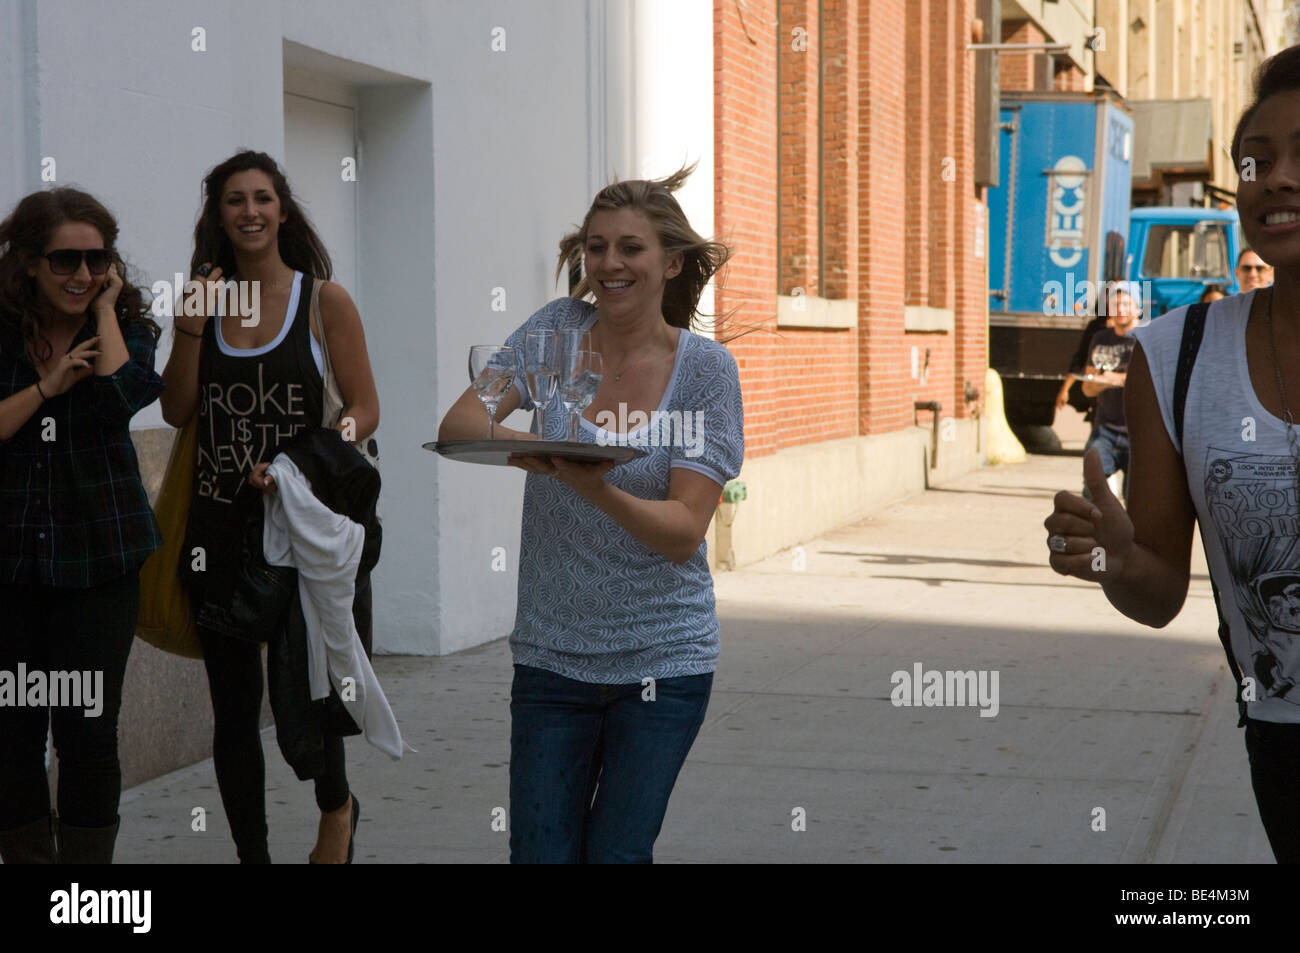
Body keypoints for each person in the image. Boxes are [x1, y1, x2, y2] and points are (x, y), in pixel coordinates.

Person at [437, 165, 744, 863]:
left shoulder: (704, 373)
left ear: (670, 263)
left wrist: (591, 482)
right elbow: (463, 419)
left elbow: (682, 531)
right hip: (552, 656)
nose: (609, 263)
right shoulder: (555, 330)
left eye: (629, 248)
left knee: (616, 855)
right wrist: (546, 452)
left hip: (663, 661)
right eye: (597, 247)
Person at [1045, 43, 1300, 863]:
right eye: (1255, 160)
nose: (1276, 177)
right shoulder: (1178, 355)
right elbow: (1157, 592)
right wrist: (1111, 557)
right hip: (1284, 738)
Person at [159, 150, 380, 863]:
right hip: (218, 527)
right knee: (232, 709)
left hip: (302, 529)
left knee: (312, 688)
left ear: (282, 209)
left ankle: (336, 808)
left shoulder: (324, 300)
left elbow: (365, 409)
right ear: (218, 216)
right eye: (233, 200)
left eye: (262, 197)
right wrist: (191, 320)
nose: (249, 211)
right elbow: (177, 408)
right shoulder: (208, 301)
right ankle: (250, 855)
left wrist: (308, 461)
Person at [0, 189, 163, 863]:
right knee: (10, 733)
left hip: (100, 562)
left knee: (87, 729)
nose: (81, 272)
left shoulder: (124, 329)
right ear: (30, 263)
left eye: (97, 260)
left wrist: (104, 309)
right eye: (66, 258)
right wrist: (46, 386)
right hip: (9, 567)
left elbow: (124, 396)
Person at [1079, 286, 1140, 500]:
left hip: (1138, 432)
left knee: (1136, 499)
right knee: (1092, 485)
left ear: (1138, 307)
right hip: (1104, 430)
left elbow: (1145, 382)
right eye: (1115, 304)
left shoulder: (1146, 338)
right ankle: (1095, 532)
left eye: (1126, 304)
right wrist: (1111, 381)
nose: (1120, 309)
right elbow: (1087, 387)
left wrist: (1111, 378)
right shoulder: (1100, 339)